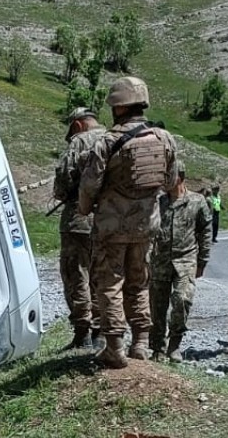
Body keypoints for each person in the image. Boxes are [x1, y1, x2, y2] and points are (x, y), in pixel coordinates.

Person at [78, 76, 177, 369]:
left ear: (118, 107)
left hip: (112, 227)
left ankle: (114, 346)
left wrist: (85, 209)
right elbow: (171, 181)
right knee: (140, 281)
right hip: (146, 226)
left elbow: (89, 186)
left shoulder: (106, 142)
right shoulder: (164, 138)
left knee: (110, 283)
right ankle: (142, 343)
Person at [52, 107, 105, 350]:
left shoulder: (80, 141)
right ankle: (101, 332)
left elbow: (63, 178)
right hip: (109, 220)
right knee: (102, 276)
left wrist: (64, 193)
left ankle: (82, 333)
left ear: (78, 125)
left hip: (79, 220)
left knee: (76, 275)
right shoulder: (113, 138)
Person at [148, 163, 211, 362]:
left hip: (186, 259)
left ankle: (174, 343)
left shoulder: (197, 201)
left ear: (180, 177)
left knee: (182, 300)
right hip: (160, 261)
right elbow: (148, 229)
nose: (165, 181)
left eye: (169, 177)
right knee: (157, 306)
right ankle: (157, 347)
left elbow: (205, 231)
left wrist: (203, 260)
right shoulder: (158, 201)